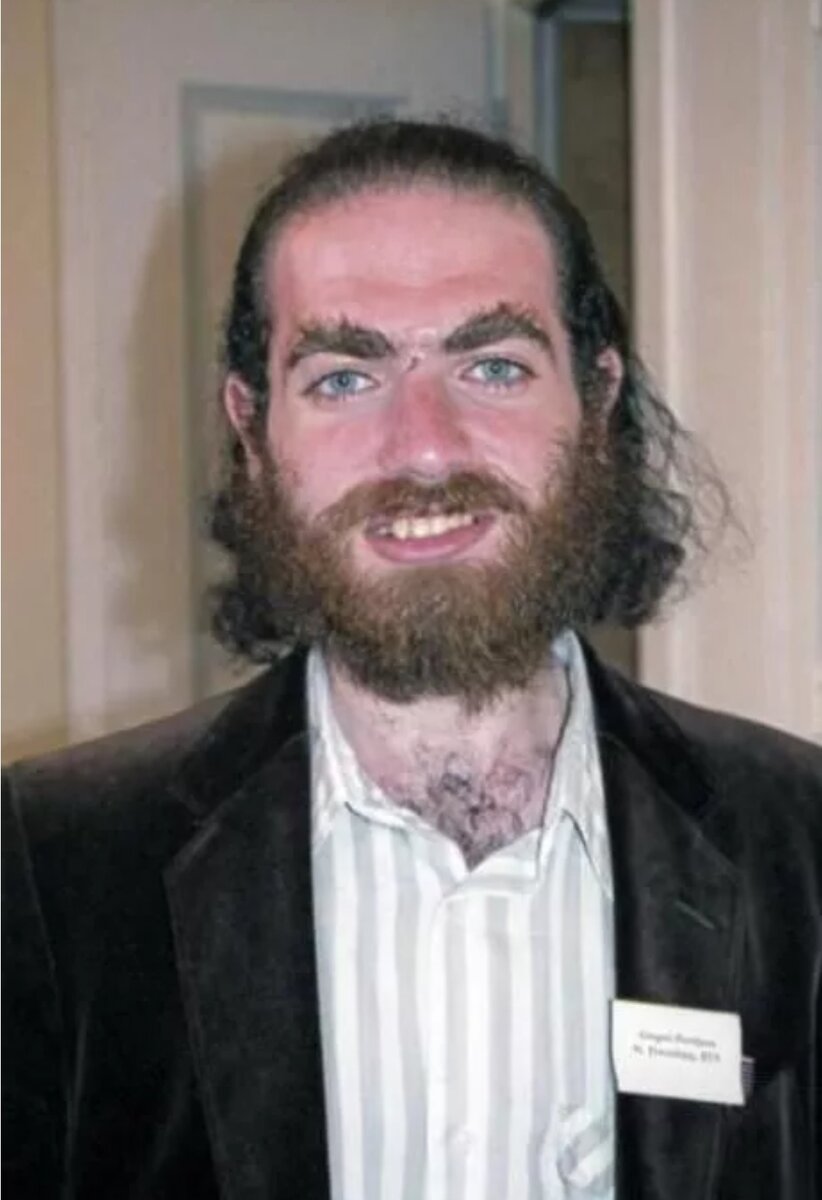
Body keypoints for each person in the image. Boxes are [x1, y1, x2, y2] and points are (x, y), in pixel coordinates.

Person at [3, 119, 820, 1200]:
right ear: (252, 429)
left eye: (493, 366)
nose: (425, 446)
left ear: (598, 400)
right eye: (345, 378)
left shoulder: (803, 844)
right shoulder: (46, 865)